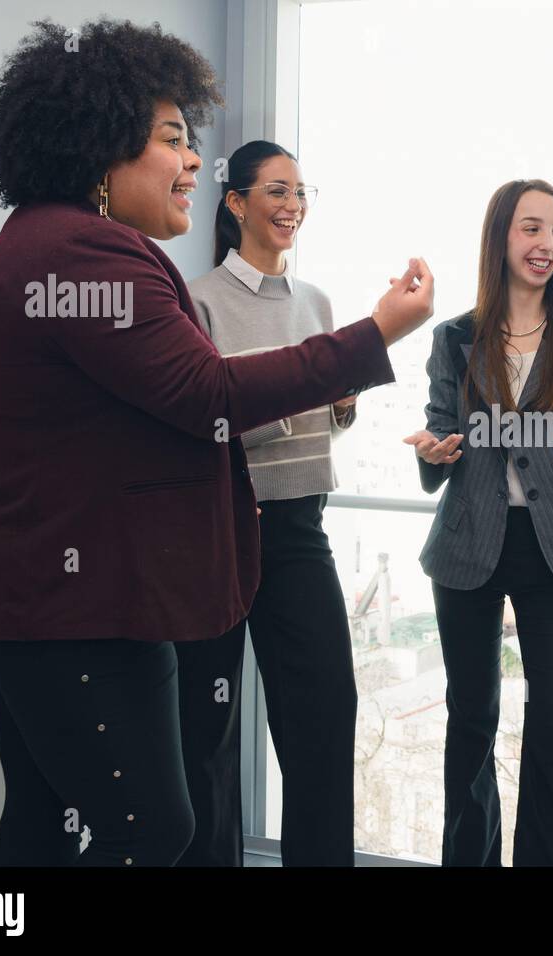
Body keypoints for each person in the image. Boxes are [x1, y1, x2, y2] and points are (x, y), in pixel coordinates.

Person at [0, 18, 432, 866]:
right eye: (171, 138)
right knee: (151, 829)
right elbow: (209, 394)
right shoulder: (84, 253)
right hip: (72, 609)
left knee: (42, 829)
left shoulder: (47, 241)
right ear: (100, 142)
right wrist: (374, 334)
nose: (195, 160)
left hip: (45, 598)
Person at [405, 179, 553, 866]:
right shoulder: (456, 338)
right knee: (471, 720)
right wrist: (436, 452)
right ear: (501, 237)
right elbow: (441, 432)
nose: (547, 244)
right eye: (531, 228)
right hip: (471, 542)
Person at [175, 141, 359, 867]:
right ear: (236, 202)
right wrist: (298, 394)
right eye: (277, 191)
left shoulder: (316, 302)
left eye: (301, 192)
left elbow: (329, 417)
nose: (292, 206)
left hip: (300, 529)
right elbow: (204, 419)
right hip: (221, 532)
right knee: (207, 731)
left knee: (324, 713)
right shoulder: (197, 301)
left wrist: (340, 403)